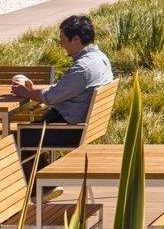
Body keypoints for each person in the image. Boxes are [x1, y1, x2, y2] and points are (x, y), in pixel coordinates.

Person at [12, 14, 115, 159]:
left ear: (76, 39)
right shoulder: (100, 58)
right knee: (30, 131)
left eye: (62, 39)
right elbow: (66, 88)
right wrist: (33, 90)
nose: (61, 44)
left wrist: (26, 93)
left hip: (71, 130)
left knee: (16, 140)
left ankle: (39, 181)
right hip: (90, 126)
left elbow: (51, 97)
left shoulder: (83, 68)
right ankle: (42, 178)